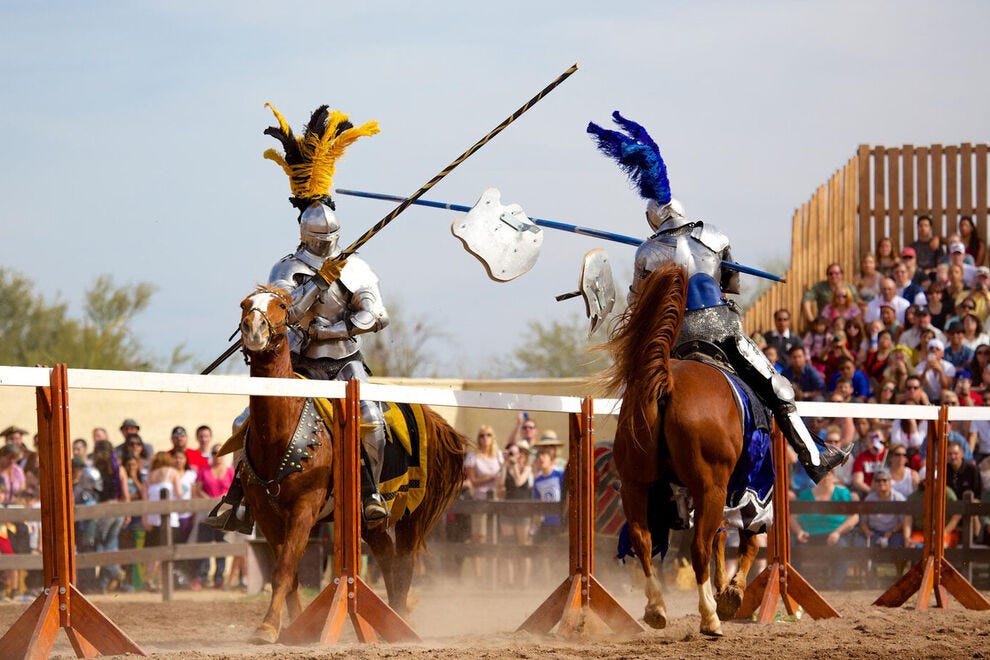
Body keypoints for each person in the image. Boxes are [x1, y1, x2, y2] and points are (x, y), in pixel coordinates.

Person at [587, 112, 847, 483]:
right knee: (778, 387)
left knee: (635, 402)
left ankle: (628, 470)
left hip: (674, 339)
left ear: (653, 220)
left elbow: (636, 306)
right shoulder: (716, 235)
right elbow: (731, 289)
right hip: (724, 330)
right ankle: (813, 456)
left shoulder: (647, 251)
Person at [206, 103, 386, 532]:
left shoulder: (355, 266)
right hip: (301, 364)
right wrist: (315, 286)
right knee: (244, 421)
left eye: (329, 239)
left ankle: (370, 493)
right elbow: (280, 313)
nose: (324, 245)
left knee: (372, 419)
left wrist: (336, 326)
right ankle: (238, 500)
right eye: (317, 238)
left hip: (344, 361)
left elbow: (376, 314)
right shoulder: (286, 268)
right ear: (304, 234)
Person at [790, 470, 858, 590]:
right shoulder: (805, 494)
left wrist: (837, 532)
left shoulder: (842, 493)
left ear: (833, 476)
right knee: (793, 549)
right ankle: (799, 586)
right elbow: (792, 517)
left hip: (834, 535)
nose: (825, 477)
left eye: (828, 474)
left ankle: (835, 586)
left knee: (842, 548)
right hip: (808, 535)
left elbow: (854, 517)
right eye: (822, 474)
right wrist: (799, 531)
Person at [195, 444, 235, 590]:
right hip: (207, 512)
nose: (216, 455)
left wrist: (221, 501)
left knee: (222, 544)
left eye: (219, 452)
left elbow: (233, 489)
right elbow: (198, 489)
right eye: (213, 453)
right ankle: (202, 576)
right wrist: (210, 501)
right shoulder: (203, 470)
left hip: (224, 512)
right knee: (205, 545)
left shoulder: (230, 471)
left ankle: (219, 578)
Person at [143, 452, 183, 592]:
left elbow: (145, 501)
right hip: (169, 517)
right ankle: (161, 582)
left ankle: (148, 579)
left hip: (152, 518)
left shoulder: (149, 476)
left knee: (153, 552)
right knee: (165, 552)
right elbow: (179, 493)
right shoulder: (173, 472)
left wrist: (145, 518)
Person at [91, 439, 127, 593]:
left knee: (99, 544)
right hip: (117, 509)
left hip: (103, 510)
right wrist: (126, 511)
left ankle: (115, 570)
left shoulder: (95, 470)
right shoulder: (119, 469)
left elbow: (94, 494)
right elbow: (125, 494)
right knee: (111, 545)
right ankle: (103, 585)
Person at [500, 440, 533, 587]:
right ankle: (510, 581)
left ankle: (524, 582)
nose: (517, 455)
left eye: (519, 453)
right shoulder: (508, 467)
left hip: (523, 511)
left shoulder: (527, 468)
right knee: (508, 546)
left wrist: (513, 466)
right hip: (508, 510)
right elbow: (499, 484)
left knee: (523, 546)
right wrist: (504, 464)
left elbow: (519, 481)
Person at [851, 428, 889, 498]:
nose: (874, 441)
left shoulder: (889, 455)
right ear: (866, 441)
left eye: (876, 438)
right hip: (868, 490)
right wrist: (872, 492)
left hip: (887, 489)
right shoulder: (861, 457)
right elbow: (857, 481)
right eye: (871, 438)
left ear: (883, 439)